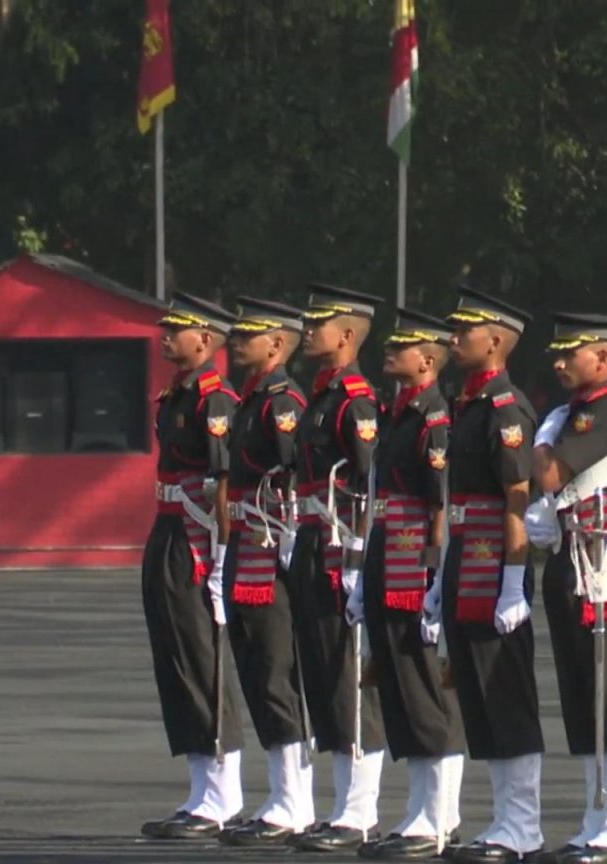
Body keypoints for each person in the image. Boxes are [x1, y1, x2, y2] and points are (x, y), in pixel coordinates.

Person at [524, 313, 607, 864]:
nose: (557, 361)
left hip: (604, 557)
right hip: (574, 552)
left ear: (601, 359)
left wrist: (543, 439)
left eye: (569, 352)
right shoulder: (577, 411)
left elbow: (549, 476)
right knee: (581, 690)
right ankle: (593, 823)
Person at [358, 307, 467, 861]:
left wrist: (434, 578)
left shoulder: (433, 420)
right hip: (386, 547)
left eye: (400, 346)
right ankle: (419, 809)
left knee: (423, 686)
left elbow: (439, 505)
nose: (388, 352)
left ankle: (439, 814)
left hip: (414, 560)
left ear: (426, 360)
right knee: (398, 682)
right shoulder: (398, 413)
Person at [440, 288, 544, 864]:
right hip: (467, 553)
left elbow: (517, 497)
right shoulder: (471, 403)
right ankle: (505, 818)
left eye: (466, 330)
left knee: (505, 692)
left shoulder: (506, 409)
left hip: (494, 559)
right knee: (478, 693)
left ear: (497, 341)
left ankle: (523, 823)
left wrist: (513, 581)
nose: (455, 339)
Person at [138, 291, 246, 841]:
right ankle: (201, 787)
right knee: (174, 655)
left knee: (203, 657)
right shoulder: (175, 393)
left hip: (199, 537)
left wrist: (223, 561)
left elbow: (224, 483)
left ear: (204, 339)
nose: (164, 335)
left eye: (175, 328)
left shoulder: (215, 398)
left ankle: (224, 793)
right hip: (167, 528)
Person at [286, 283, 388, 853]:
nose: (307, 330)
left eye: (317, 322)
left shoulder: (355, 401)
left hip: (340, 546)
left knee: (351, 678)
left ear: (346, 335)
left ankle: (360, 808)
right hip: (310, 537)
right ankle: (339, 803)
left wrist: (360, 560)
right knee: (323, 673)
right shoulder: (323, 396)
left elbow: (368, 485)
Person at [217, 297, 317, 847]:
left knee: (277, 669)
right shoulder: (252, 400)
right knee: (256, 667)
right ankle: (281, 793)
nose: (235, 343)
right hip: (248, 542)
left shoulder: (282, 402)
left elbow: (294, 472)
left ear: (277, 345)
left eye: (247, 335)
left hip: (272, 545)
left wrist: (290, 539)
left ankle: (294, 799)